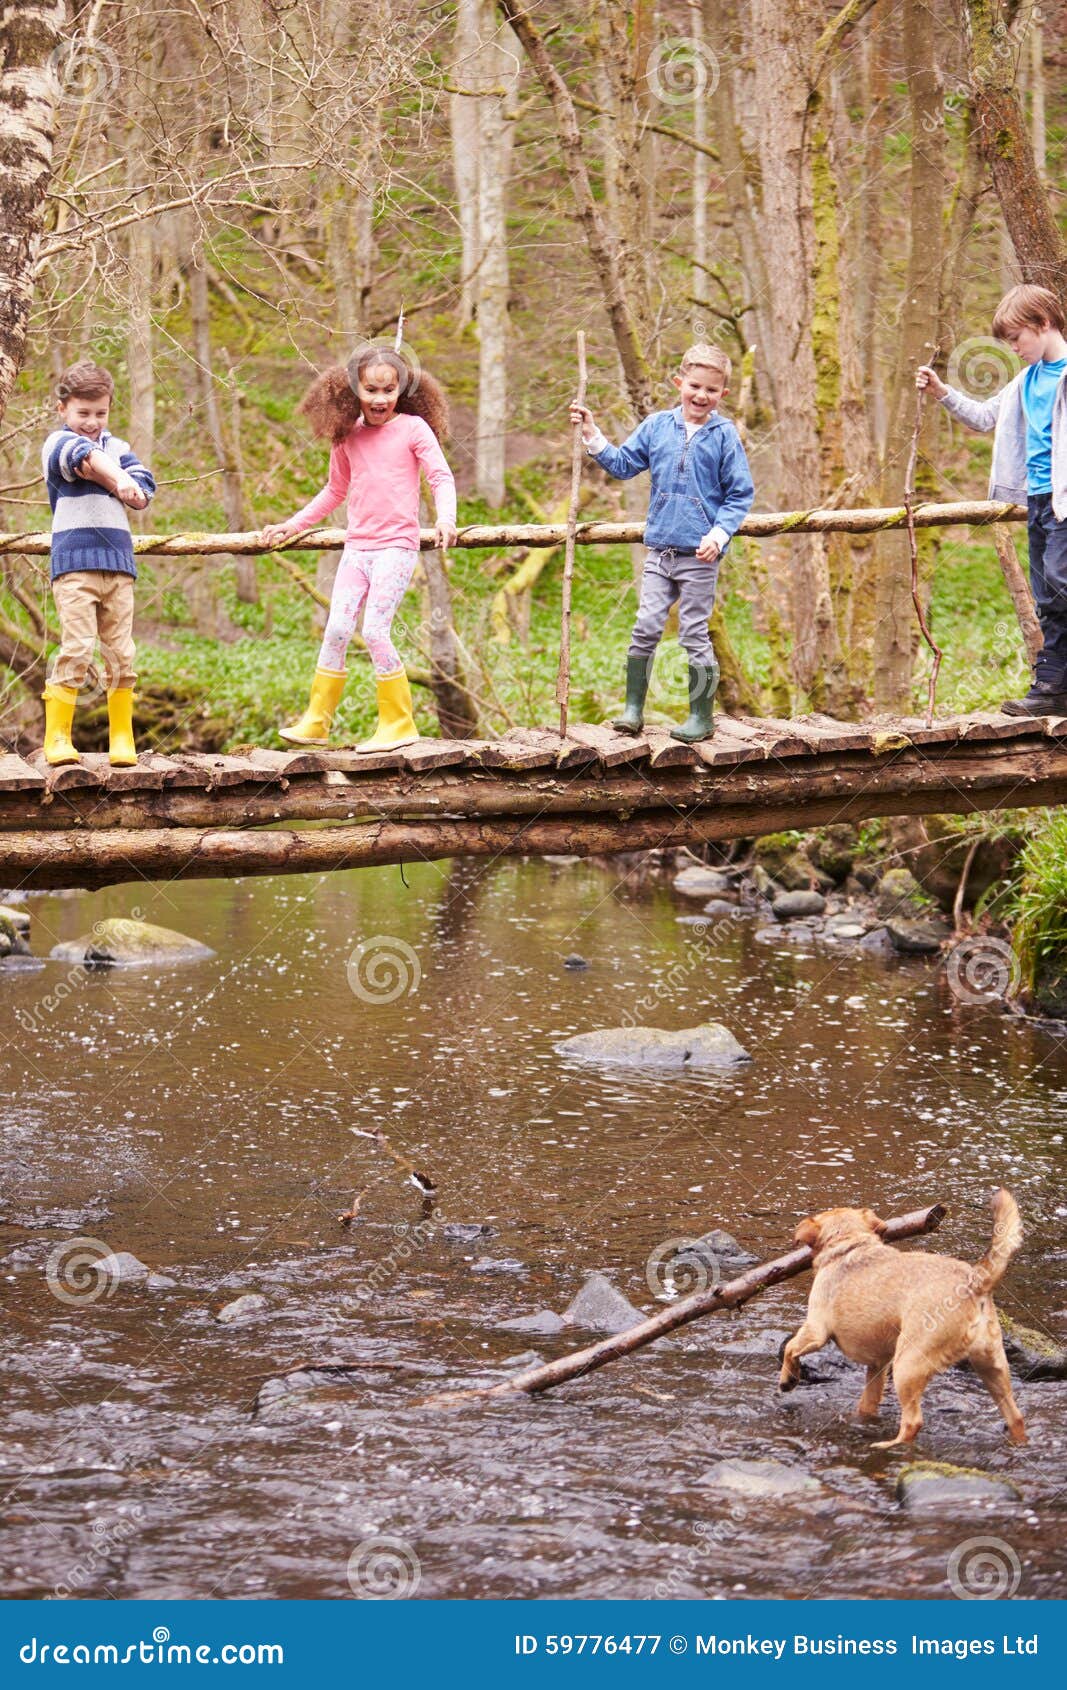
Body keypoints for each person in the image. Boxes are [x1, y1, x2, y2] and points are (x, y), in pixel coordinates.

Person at [262, 348, 457, 751]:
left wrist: (446, 519)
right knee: (336, 629)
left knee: (374, 630)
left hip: (396, 547)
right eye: (371, 389)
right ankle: (317, 721)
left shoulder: (414, 429)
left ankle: (399, 724)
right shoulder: (347, 434)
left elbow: (440, 476)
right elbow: (334, 490)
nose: (380, 398)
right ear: (355, 388)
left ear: (401, 389)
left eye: (389, 389)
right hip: (357, 548)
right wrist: (291, 525)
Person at [570, 343, 754, 742]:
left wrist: (719, 533)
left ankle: (700, 717)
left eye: (711, 389)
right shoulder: (657, 426)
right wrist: (592, 434)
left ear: (723, 394)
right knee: (645, 626)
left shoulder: (724, 436)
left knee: (693, 633)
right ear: (679, 383)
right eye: (694, 386)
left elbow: (740, 494)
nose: (701, 396)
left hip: (700, 556)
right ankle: (633, 709)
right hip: (660, 551)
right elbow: (622, 465)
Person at [918, 283, 1067, 716]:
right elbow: (984, 417)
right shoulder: (1026, 381)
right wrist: (942, 392)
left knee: (1060, 583)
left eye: (1018, 339)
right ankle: (1053, 687)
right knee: (1048, 595)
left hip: (1065, 500)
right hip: (1038, 502)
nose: (1014, 349)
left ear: (1043, 324)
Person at [40, 361, 156, 766]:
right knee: (76, 648)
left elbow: (143, 489)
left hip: (119, 565)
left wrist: (122, 482)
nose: (91, 422)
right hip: (74, 565)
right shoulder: (56, 443)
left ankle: (121, 737)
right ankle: (57, 737)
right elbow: (82, 455)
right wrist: (115, 480)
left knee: (121, 651)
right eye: (83, 413)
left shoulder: (121, 448)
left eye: (100, 413)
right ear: (63, 410)